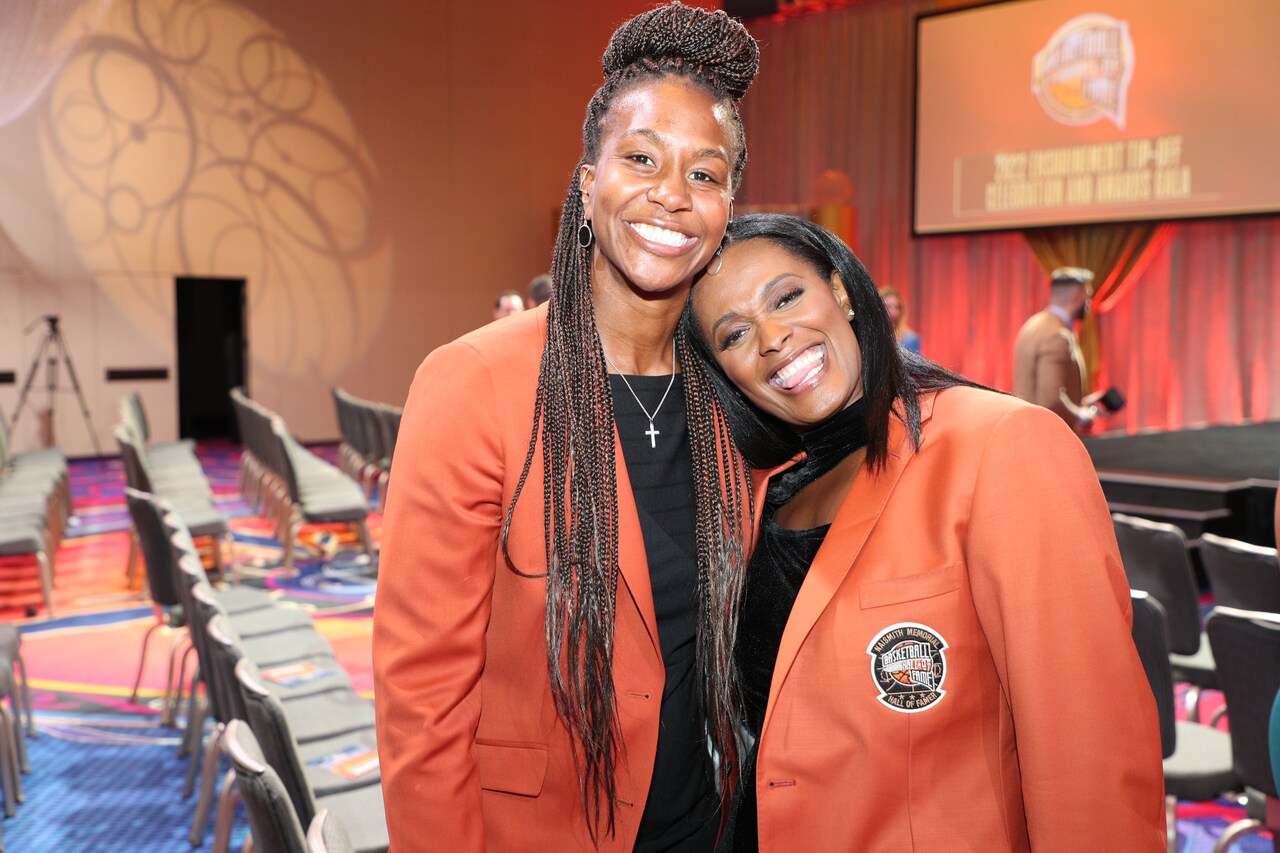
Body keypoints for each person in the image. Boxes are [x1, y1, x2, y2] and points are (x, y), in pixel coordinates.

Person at [374, 5, 760, 851]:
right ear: (589, 182)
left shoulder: (735, 395)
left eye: (706, 174)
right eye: (641, 158)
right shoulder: (472, 384)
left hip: (711, 827)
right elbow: (420, 700)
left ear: (730, 207)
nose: (672, 194)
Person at [682, 214, 1166, 851]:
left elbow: (1089, 746)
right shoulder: (761, 489)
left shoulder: (999, 447)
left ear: (843, 291)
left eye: (787, 296)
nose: (773, 336)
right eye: (735, 333)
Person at [1013, 266, 1106, 431]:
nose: (1089, 303)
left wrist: (1080, 402)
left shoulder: (1032, 325)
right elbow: (1052, 400)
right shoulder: (1057, 336)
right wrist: (1083, 416)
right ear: (1077, 297)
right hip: (1047, 437)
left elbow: (1038, 389)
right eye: (1088, 296)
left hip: (1028, 431)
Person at [877, 285, 919, 354]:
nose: (892, 311)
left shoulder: (910, 339)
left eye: (896, 307)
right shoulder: (869, 336)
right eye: (888, 306)